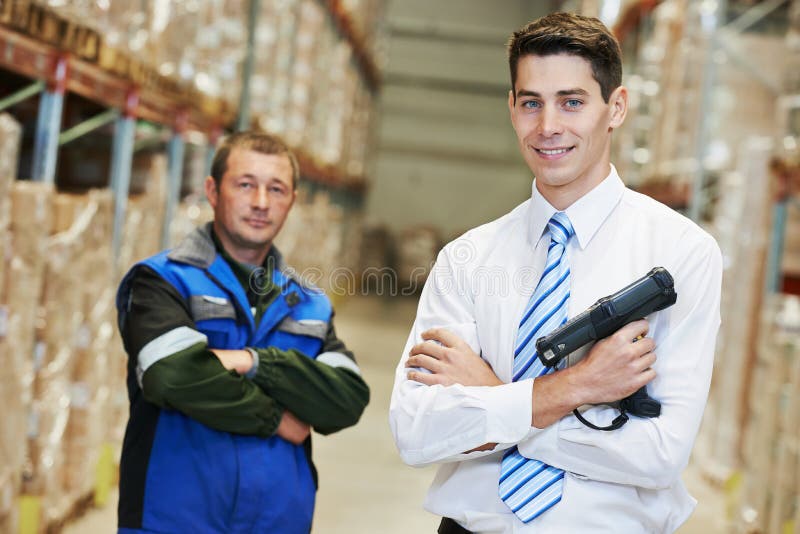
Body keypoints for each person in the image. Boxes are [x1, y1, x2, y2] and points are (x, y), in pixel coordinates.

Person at [389, 12, 722, 534]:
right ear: (511, 109)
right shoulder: (467, 259)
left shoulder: (682, 254)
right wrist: (576, 387)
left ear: (616, 108)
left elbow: (659, 456)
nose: (548, 127)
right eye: (530, 103)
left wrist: (496, 398)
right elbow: (417, 432)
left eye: (572, 102)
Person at [115, 131, 369, 534]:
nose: (261, 203)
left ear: (293, 201)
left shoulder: (309, 304)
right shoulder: (163, 281)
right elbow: (172, 374)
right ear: (213, 191)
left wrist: (253, 362)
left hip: (279, 521)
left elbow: (346, 399)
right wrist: (275, 417)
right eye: (246, 185)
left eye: (277, 189)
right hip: (175, 518)